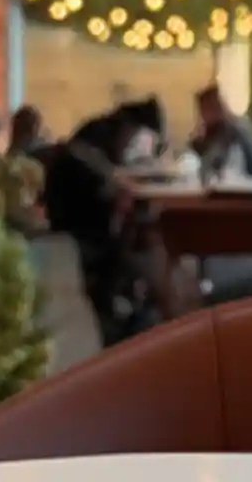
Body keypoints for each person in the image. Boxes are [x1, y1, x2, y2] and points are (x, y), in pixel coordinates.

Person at [43, 96, 165, 344]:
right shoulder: (95, 144)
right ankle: (117, 313)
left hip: (72, 217)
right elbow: (107, 185)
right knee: (124, 251)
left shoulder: (97, 132)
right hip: (76, 225)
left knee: (126, 242)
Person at [190, 84, 252, 181]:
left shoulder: (231, 134)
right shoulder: (235, 128)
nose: (203, 118)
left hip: (249, 189)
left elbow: (216, 168)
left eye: (204, 111)